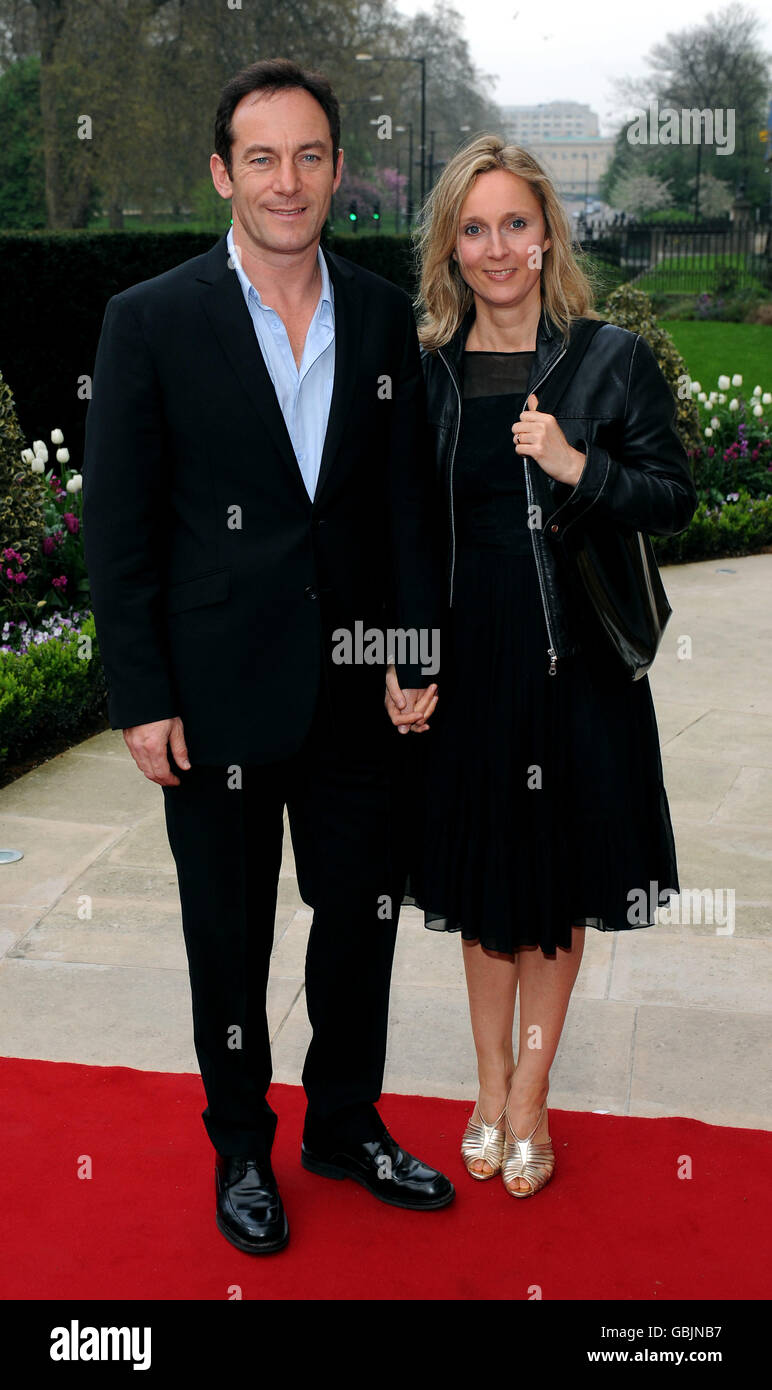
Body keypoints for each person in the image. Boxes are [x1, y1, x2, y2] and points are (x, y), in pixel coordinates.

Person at [82, 57, 453, 1257]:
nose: (286, 181)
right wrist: (141, 696)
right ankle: (240, 1145)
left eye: (308, 156)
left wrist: (409, 648)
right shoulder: (148, 320)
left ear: (339, 170)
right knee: (227, 940)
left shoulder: (385, 314)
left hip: (354, 685)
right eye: (261, 157)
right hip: (215, 697)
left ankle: (343, 1123)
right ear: (221, 172)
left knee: (360, 919)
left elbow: (403, 503)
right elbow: (120, 528)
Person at [385, 135, 697, 1198]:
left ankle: (530, 1093)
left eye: (515, 223)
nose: (495, 248)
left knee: (554, 882)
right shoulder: (426, 369)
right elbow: (406, 535)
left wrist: (578, 465)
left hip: (577, 671)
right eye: (473, 229)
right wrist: (405, 653)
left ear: (547, 232)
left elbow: (670, 495)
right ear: (450, 247)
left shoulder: (607, 358)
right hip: (469, 672)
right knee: (481, 890)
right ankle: (482, 1087)